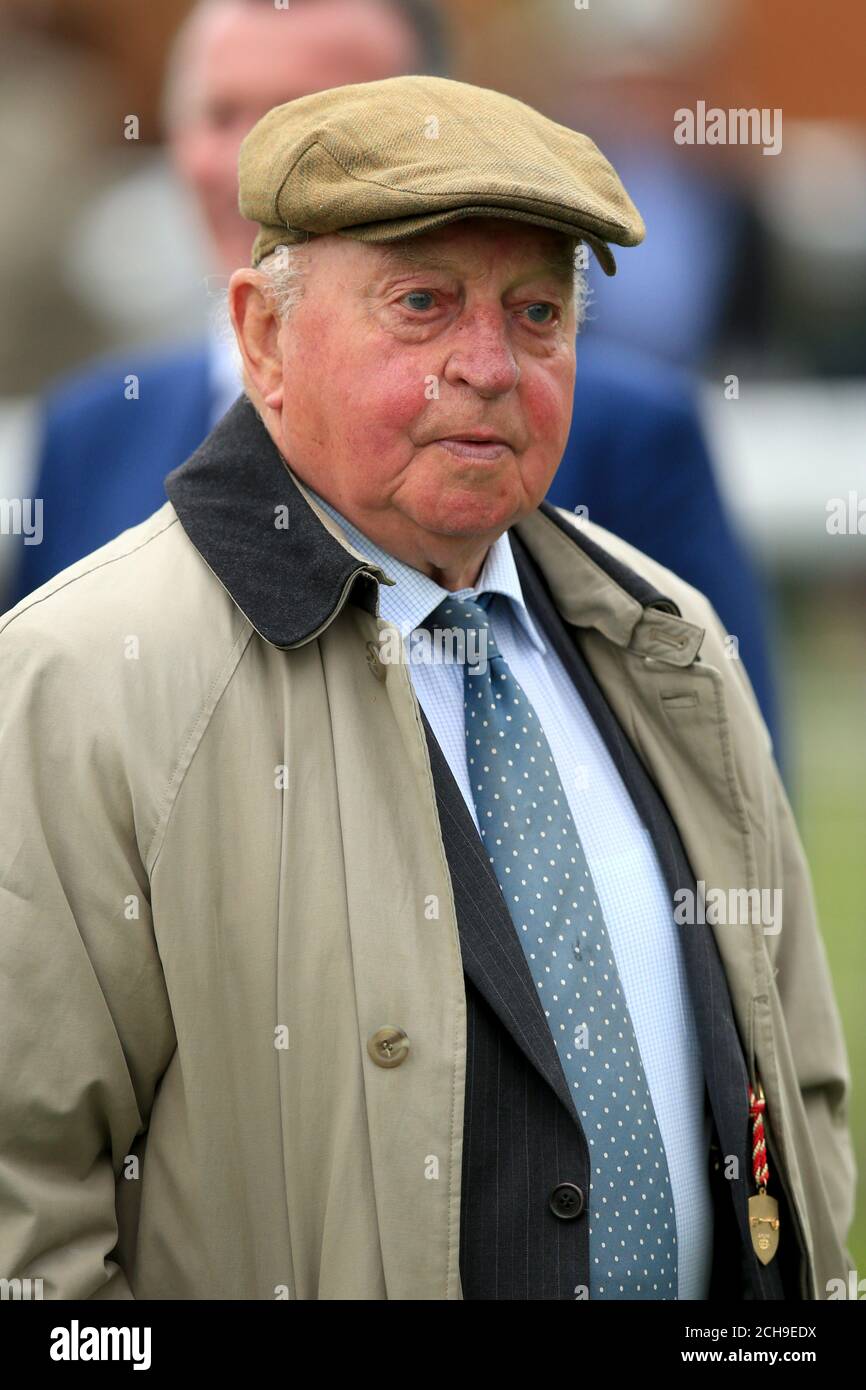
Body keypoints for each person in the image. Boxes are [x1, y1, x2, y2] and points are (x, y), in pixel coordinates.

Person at [0, 75, 853, 1302]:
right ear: (261, 336)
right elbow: (30, 1219)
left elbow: (796, 1085)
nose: (491, 366)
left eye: (537, 313)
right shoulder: (78, 682)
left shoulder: (668, 638)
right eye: (422, 305)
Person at [4, 0, 780, 754]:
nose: (254, 161)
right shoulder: (88, 434)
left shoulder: (625, 435)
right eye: (221, 113)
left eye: (306, 117)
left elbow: (729, 784)